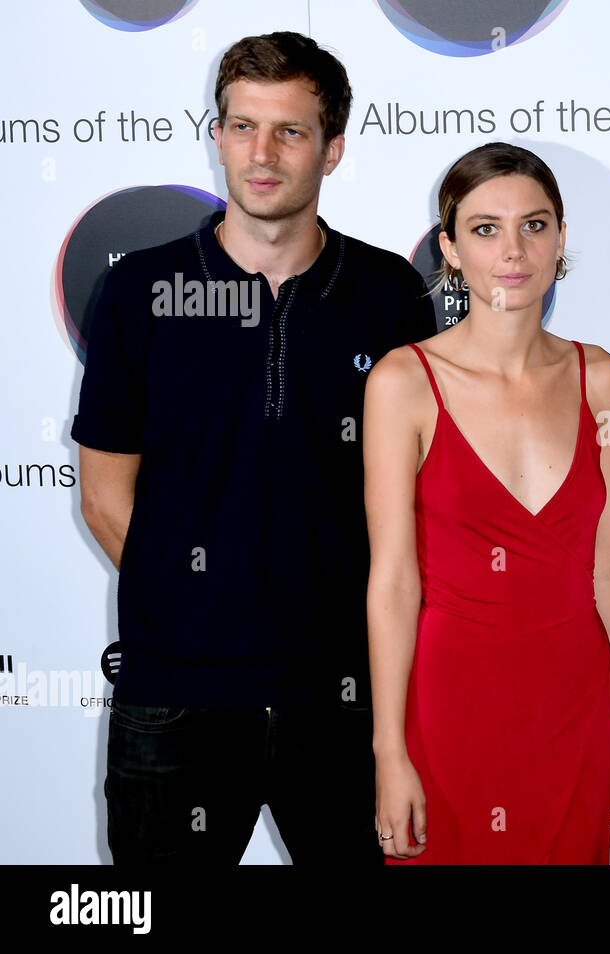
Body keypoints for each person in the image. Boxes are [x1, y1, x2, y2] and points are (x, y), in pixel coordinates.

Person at [72, 31, 437, 864]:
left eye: (290, 131)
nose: (261, 154)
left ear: (333, 148)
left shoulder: (388, 298)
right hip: (176, 699)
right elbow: (103, 493)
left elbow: (418, 500)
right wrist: (198, 612)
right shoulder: (140, 289)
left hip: (347, 699)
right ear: (217, 135)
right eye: (242, 127)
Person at [365, 142, 610, 864]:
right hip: (450, 707)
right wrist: (389, 752)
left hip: (574, 709)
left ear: (559, 241)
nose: (513, 251)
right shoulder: (404, 381)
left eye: (535, 225)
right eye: (486, 229)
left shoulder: (602, 380)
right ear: (450, 249)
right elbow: (393, 582)